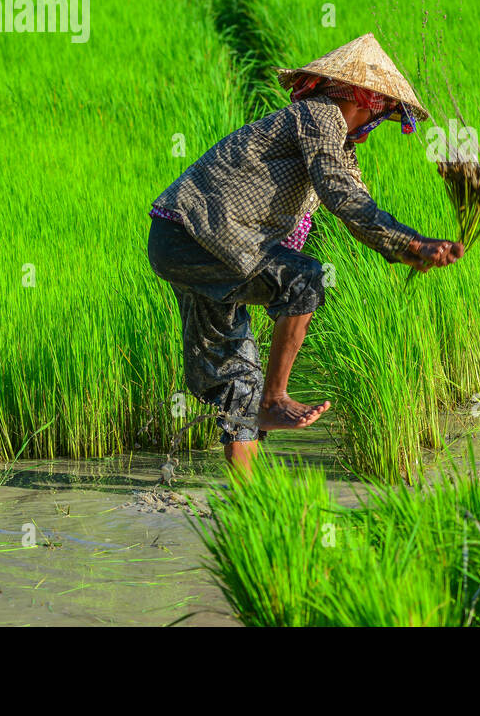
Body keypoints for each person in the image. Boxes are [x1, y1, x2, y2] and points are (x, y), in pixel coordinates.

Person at [146, 33, 463, 475]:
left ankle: (248, 503)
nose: (373, 129)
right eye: (380, 114)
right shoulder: (319, 115)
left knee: (240, 382)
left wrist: (410, 251)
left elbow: (357, 204)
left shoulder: (332, 141)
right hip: (198, 236)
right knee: (304, 279)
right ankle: (276, 399)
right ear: (361, 97)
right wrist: (410, 243)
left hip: (180, 241)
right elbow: (341, 195)